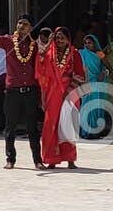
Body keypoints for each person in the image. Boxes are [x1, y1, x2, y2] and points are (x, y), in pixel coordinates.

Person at [0, 12, 45, 170]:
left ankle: (37, 160)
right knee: (10, 126)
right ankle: (10, 159)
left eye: (25, 24)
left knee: (32, 127)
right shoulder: (7, 41)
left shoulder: (34, 46)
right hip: (12, 91)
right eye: (19, 23)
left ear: (30, 28)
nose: (21, 26)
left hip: (31, 91)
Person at [36, 26, 87, 169]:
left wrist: (70, 89)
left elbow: (80, 74)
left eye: (62, 37)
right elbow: (40, 67)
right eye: (57, 37)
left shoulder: (74, 53)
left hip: (69, 93)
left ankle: (70, 159)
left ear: (68, 39)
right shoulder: (49, 53)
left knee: (68, 125)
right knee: (50, 125)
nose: (59, 40)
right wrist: (46, 46)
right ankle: (51, 159)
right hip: (52, 93)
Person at [77, 33, 109, 138]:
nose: (87, 45)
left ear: (94, 44)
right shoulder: (82, 53)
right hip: (86, 83)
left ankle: (95, 131)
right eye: (85, 43)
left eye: (89, 43)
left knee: (96, 106)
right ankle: (86, 130)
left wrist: (103, 72)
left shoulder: (99, 54)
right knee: (86, 106)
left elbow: (108, 66)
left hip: (97, 83)